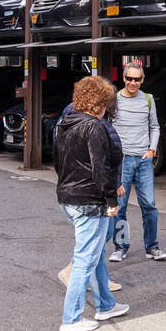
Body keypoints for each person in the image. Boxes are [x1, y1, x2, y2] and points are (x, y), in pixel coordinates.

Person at [53, 76, 130, 331]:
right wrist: (111, 200)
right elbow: (101, 169)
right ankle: (71, 318)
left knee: (93, 254)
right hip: (90, 200)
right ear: (100, 103)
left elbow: (57, 161)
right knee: (85, 258)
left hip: (68, 195)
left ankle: (105, 304)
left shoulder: (66, 123)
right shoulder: (94, 127)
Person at [57, 91, 124, 295]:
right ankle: (73, 314)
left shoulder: (69, 120)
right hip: (90, 193)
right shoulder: (94, 123)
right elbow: (102, 163)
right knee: (90, 248)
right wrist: (113, 190)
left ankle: (104, 297)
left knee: (96, 242)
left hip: (72, 190)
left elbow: (59, 157)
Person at [109, 62, 166, 262]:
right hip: (121, 162)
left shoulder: (148, 100)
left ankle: (152, 247)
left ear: (142, 80)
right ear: (123, 78)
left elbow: (155, 127)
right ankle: (120, 247)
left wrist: (152, 149)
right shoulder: (113, 101)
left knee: (149, 205)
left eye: (137, 79)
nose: (133, 83)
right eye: (129, 78)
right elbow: (106, 129)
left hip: (143, 161)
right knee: (120, 207)